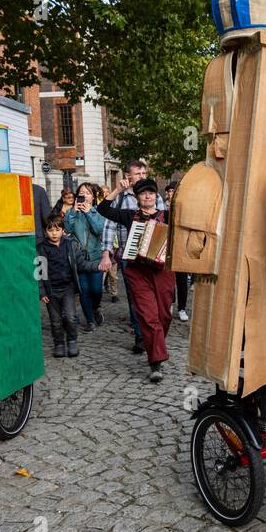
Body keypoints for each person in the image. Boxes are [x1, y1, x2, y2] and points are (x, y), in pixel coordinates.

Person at [97, 177, 176, 382]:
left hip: (163, 271)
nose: (147, 196)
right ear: (137, 197)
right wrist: (116, 190)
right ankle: (155, 362)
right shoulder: (130, 216)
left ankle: (156, 342)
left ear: (155, 195)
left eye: (151, 192)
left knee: (164, 316)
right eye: (143, 193)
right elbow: (103, 210)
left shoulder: (168, 215)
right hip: (137, 272)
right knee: (148, 317)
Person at [100, 159, 148, 351]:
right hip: (129, 258)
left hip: (152, 258)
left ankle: (153, 330)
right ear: (128, 176)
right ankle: (140, 336)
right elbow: (109, 226)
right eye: (138, 174)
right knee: (134, 297)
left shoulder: (154, 196)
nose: (142, 177)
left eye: (144, 174)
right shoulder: (121, 198)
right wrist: (106, 254)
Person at [63, 182, 106, 331]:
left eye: (87, 193)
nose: (84, 196)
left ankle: (96, 307)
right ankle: (89, 321)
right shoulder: (72, 213)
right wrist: (73, 212)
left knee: (96, 290)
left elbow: (99, 230)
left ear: (93, 197)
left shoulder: (98, 212)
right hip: (79, 258)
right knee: (84, 290)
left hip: (95, 258)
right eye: (81, 193)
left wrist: (88, 212)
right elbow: (67, 229)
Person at [37, 214, 80, 358]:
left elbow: (78, 264)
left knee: (70, 316)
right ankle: (59, 343)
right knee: (55, 320)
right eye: (50, 230)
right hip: (51, 291)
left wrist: (96, 266)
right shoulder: (41, 248)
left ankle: (72, 340)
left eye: (57, 230)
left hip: (67, 287)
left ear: (63, 231)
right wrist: (42, 292)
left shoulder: (69, 245)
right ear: (45, 232)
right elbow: (39, 273)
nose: (54, 233)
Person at [165, 180, 189, 320]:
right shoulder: (162, 205)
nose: (170, 193)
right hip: (166, 248)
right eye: (169, 191)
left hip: (181, 247)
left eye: (173, 191)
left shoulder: (185, 207)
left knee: (182, 280)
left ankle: (182, 308)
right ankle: (170, 303)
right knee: (168, 279)